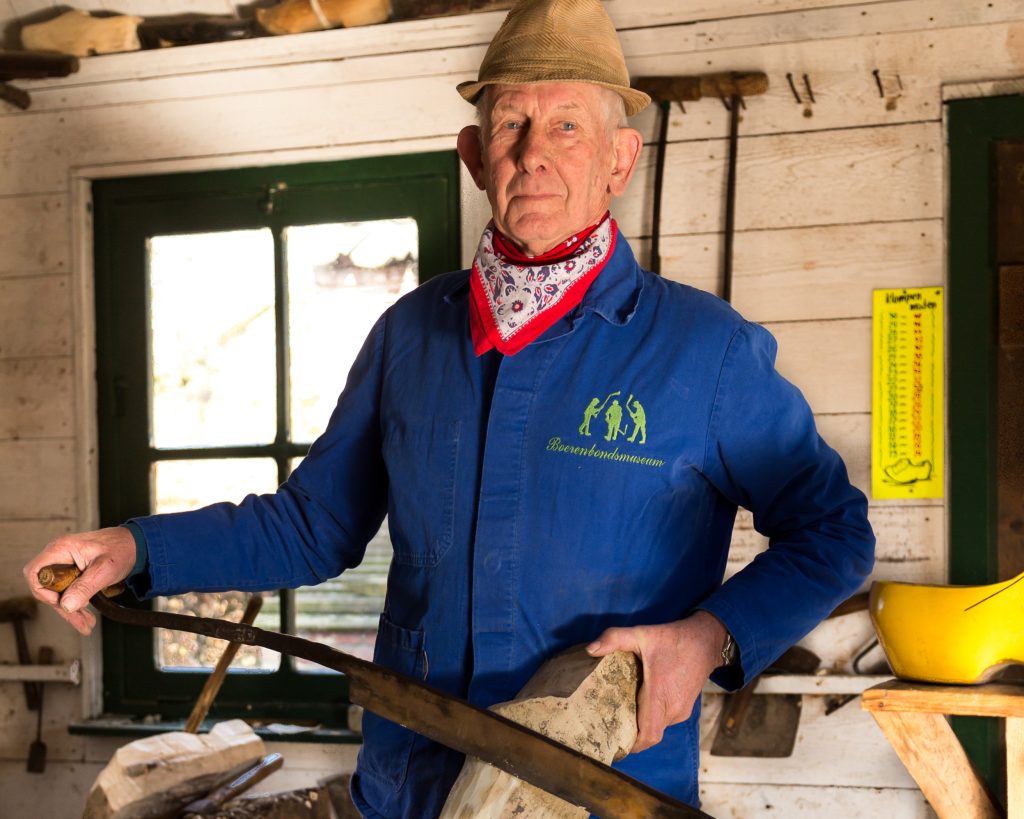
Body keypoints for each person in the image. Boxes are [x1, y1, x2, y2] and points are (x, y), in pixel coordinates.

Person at [24, 0, 875, 815]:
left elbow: (834, 531)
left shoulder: (705, 348)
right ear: (475, 153)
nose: (534, 152)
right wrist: (133, 546)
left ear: (621, 159)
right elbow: (311, 526)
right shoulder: (410, 334)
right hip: (411, 791)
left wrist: (709, 636)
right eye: (511, 124)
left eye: (568, 124)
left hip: (602, 794)